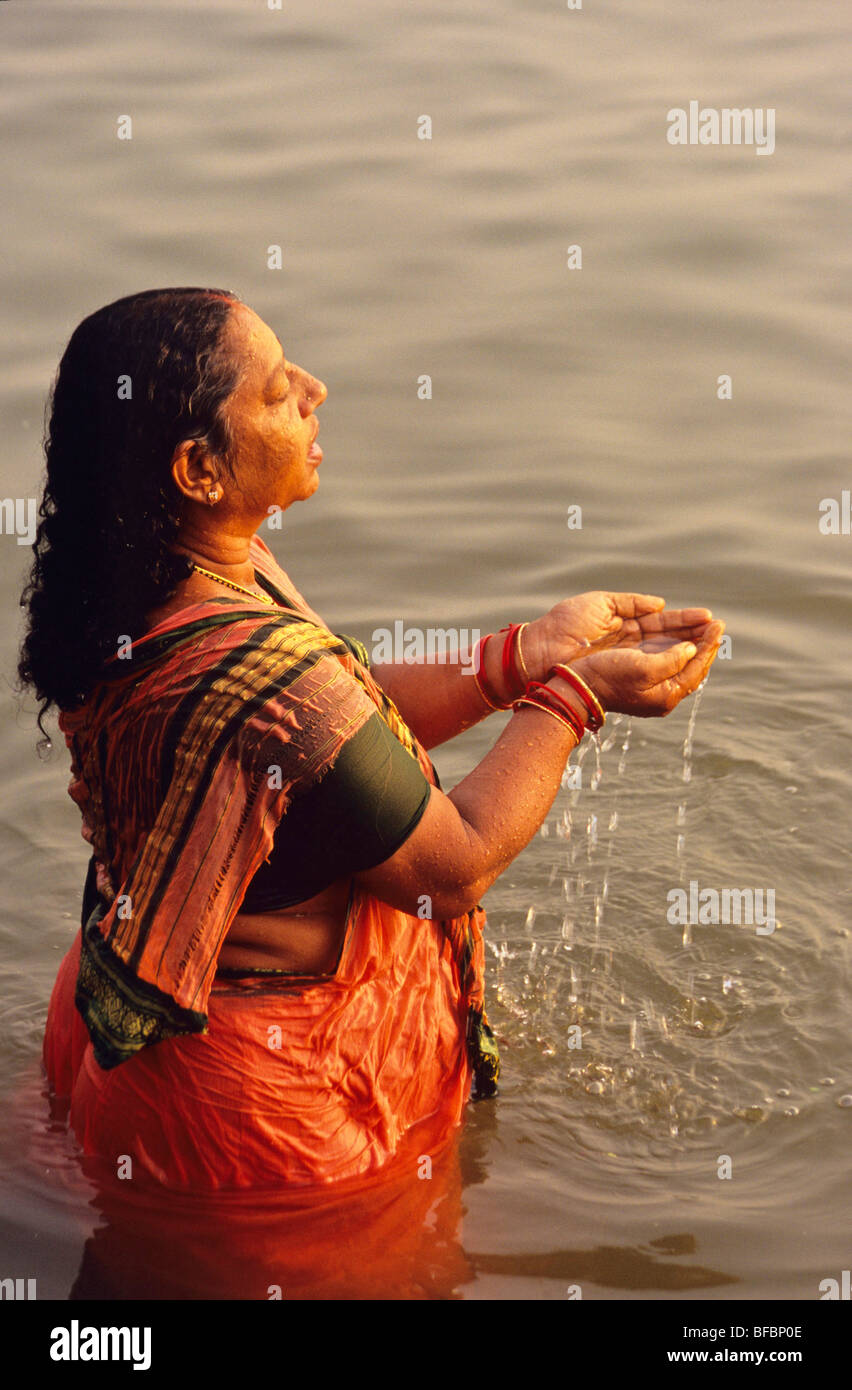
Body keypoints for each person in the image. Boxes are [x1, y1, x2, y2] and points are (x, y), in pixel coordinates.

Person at [18, 288, 723, 1191]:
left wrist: (521, 659)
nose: (316, 390)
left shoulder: (152, 587)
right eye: (275, 393)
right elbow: (453, 866)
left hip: (123, 1024)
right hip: (249, 1123)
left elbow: (334, 731)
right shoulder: (258, 665)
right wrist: (574, 699)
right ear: (199, 469)